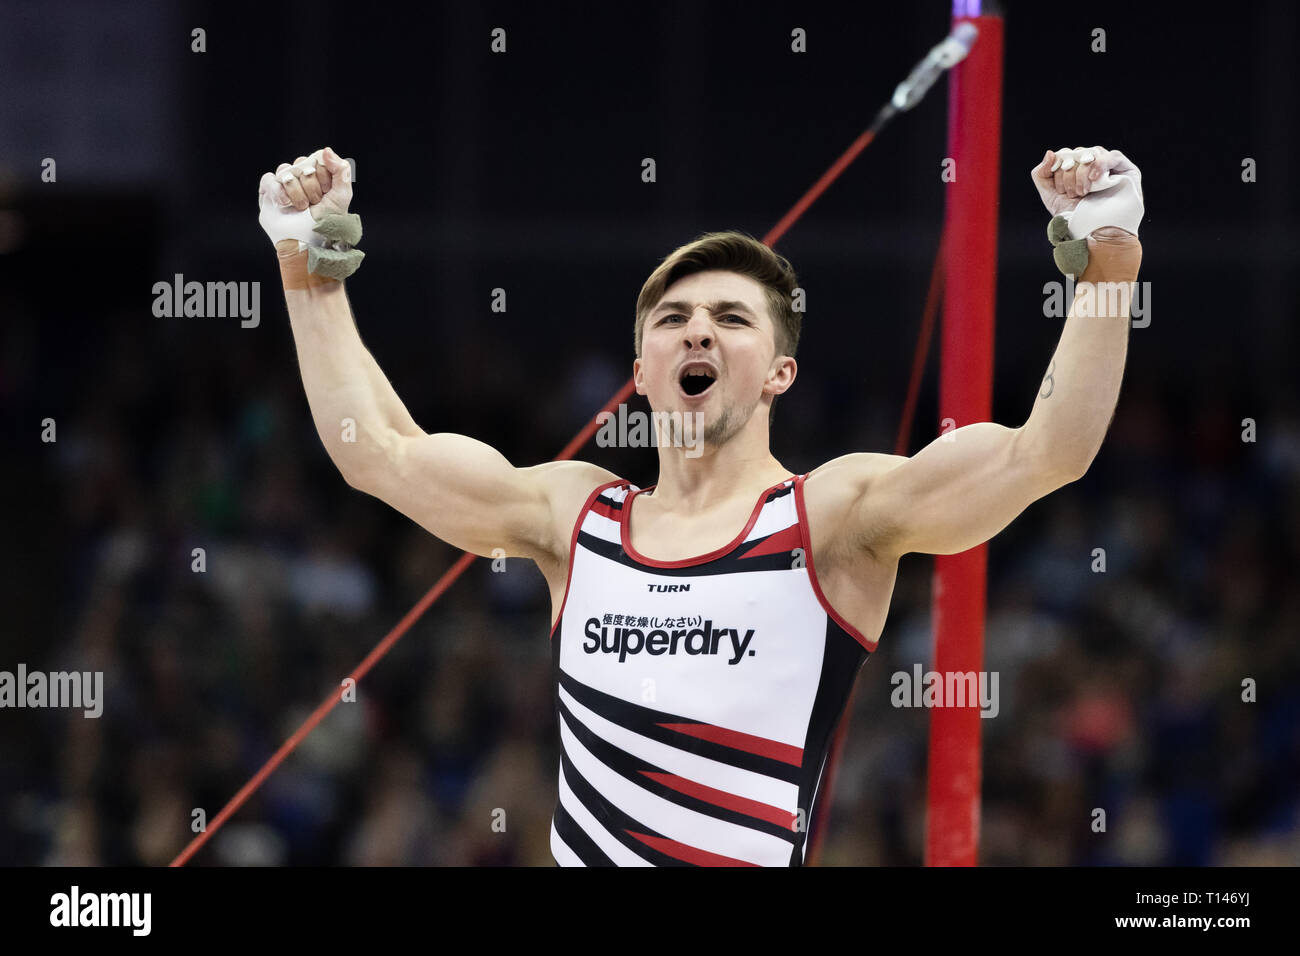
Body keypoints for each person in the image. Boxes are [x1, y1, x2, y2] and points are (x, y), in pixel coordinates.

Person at [257, 144, 1144, 866]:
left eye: (732, 317)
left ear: (780, 374)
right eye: (674, 317)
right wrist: (307, 270)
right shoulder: (577, 520)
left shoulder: (829, 518)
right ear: (640, 373)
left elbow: (1046, 452)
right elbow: (377, 451)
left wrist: (1107, 259)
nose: (699, 330)